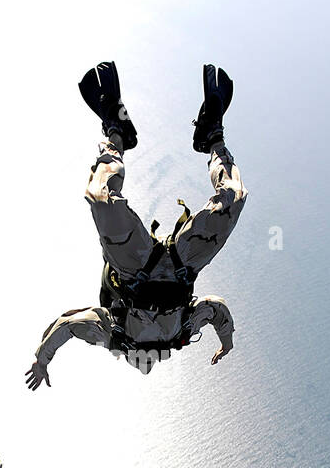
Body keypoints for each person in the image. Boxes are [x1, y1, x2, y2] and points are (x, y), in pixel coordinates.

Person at [25, 62, 248, 389]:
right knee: (233, 197)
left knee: (102, 199)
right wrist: (226, 342)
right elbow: (216, 310)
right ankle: (212, 135)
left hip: (134, 269)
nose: (148, 358)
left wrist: (42, 358)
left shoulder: (114, 335)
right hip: (181, 265)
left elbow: (68, 325)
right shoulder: (179, 333)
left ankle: (116, 132)